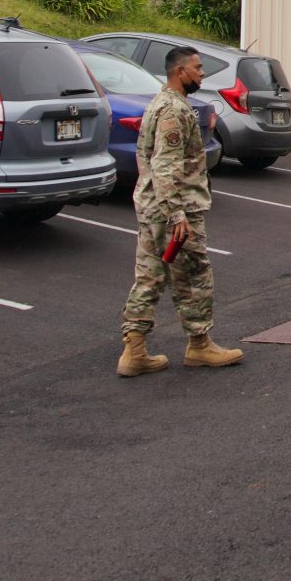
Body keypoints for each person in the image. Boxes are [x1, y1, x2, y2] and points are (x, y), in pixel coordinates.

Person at [117, 45, 243, 376]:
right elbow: (165, 166)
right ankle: (199, 346)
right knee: (194, 275)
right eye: (197, 68)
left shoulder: (163, 103)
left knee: (150, 276)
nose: (201, 74)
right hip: (172, 209)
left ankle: (134, 350)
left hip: (152, 206)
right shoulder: (173, 111)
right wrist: (177, 215)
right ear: (180, 72)